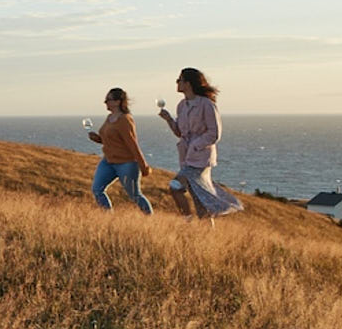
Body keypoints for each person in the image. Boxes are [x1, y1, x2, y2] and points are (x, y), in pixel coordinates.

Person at [157, 67, 244, 222]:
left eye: (180, 80)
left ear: (188, 83)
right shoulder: (181, 106)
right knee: (199, 201)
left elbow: (214, 133)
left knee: (175, 186)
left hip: (201, 157)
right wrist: (169, 119)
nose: (177, 83)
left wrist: (195, 145)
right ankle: (204, 235)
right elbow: (180, 132)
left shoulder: (207, 104)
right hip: (186, 157)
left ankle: (187, 221)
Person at [87, 87, 153, 214]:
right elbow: (112, 140)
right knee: (97, 189)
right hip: (108, 161)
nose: (105, 102)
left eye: (108, 100)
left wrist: (143, 166)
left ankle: (150, 218)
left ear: (118, 102)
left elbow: (132, 144)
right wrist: (98, 139)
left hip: (126, 163)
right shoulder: (109, 117)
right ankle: (107, 217)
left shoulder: (125, 119)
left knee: (135, 195)